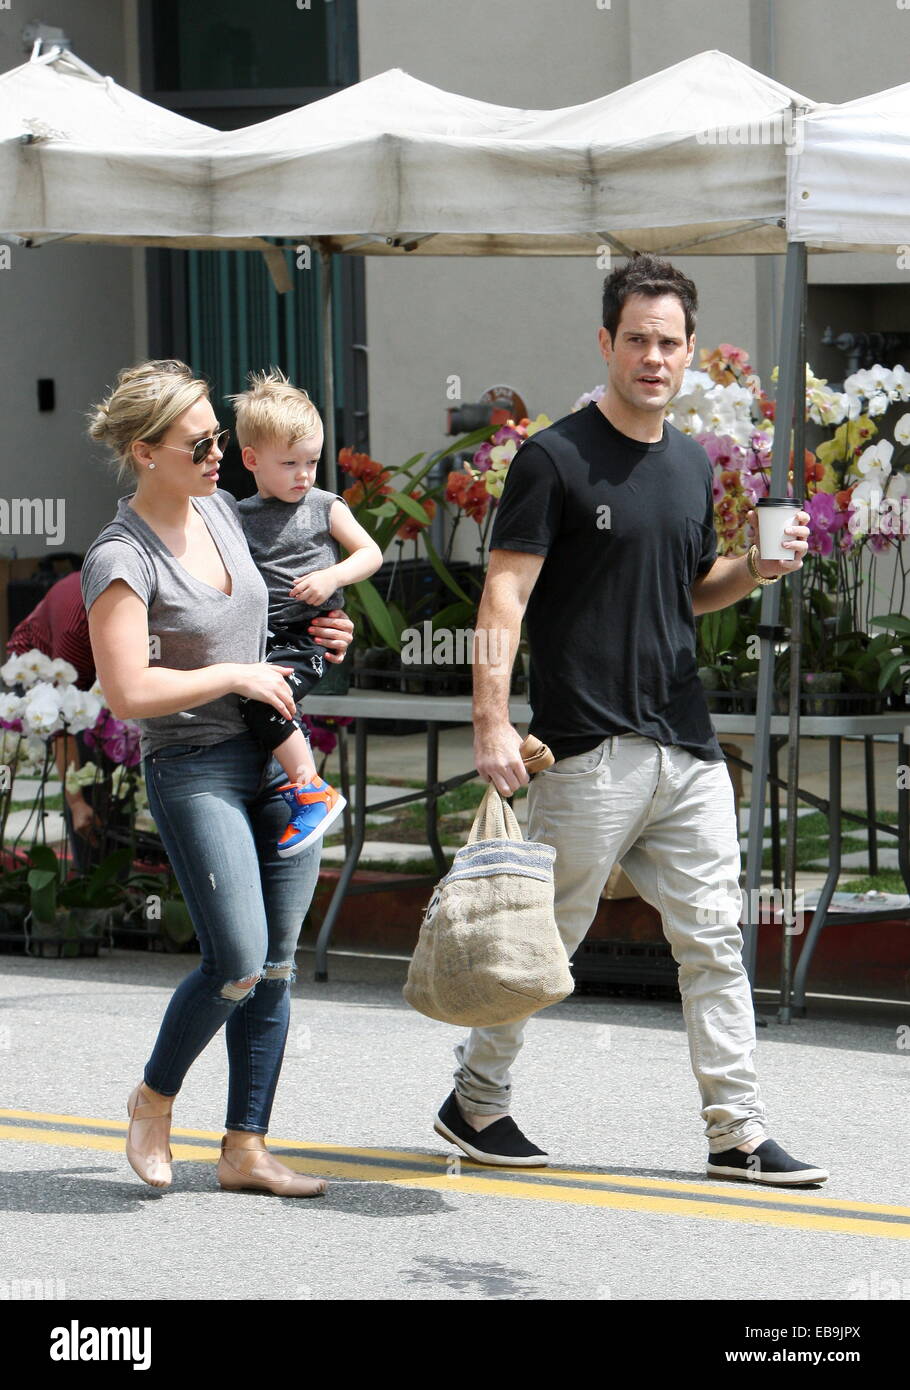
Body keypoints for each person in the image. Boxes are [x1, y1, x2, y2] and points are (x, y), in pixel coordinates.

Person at [434, 253, 828, 1188]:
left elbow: (690, 594)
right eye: (638, 339)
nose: (655, 356)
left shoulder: (691, 465)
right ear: (606, 343)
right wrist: (491, 723)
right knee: (545, 943)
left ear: (690, 353)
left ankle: (736, 1132)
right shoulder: (554, 458)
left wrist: (760, 571)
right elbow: (503, 595)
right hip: (584, 746)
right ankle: (476, 1101)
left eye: (671, 342)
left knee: (716, 940)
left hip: (685, 746)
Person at [81, 358, 354, 1197]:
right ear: (144, 450)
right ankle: (155, 1097)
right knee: (235, 958)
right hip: (195, 766)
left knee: (275, 963)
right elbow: (129, 692)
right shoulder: (119, 558)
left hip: (275, 758)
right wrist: (236, 676)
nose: (220, 456)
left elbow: (258, 623)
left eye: (220, 440)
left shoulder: (223, 517)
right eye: (200, 443)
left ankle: (245, 1147)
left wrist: (320, 630)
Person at [229, 368, 382, 856]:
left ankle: (309, 786)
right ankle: (301, 785)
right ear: (251, 460)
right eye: (290, 463)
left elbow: (370, 553)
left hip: (309, 635)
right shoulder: (237, 514)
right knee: (255, 695)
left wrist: (332, 577)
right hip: (263, 637)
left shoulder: (323, 506)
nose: (304, 475)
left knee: (264, 699)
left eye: (312, 462)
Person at [6, 570, 105, 867]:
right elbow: (60, 727)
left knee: (111, 758)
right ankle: (90, 874)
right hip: (40, 661)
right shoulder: (77, 630)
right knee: (87, 763)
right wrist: (76, 802)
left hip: (93, 655)